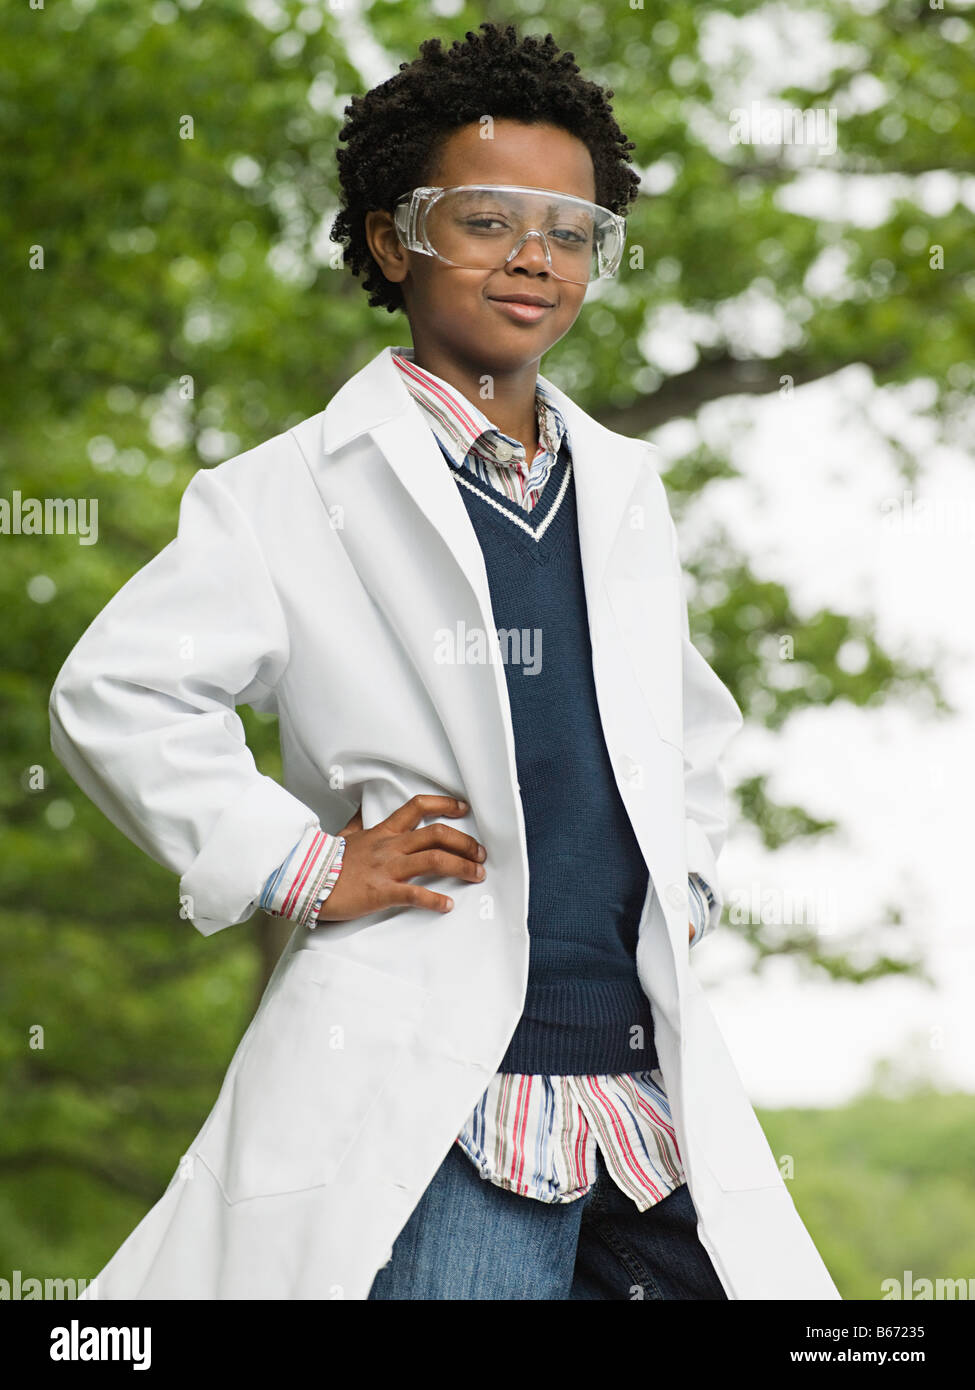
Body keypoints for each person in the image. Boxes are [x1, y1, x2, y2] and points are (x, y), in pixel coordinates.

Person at [51, 23, 840, 1300]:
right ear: (390, 238)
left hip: (639, 1081)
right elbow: (117, 694)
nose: (535, 256)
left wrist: (682, 882)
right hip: (446, 1096)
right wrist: (304, 865)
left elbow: (687, 735)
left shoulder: (625, 493)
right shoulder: (287, 494)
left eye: (572, 230)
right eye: (485, 221)